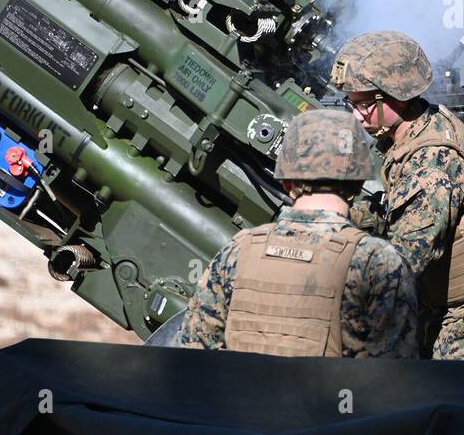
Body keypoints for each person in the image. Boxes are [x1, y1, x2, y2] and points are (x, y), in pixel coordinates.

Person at [330, 30, 464, 361]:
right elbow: (393, 210)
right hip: (457, 306)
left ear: (395, 96)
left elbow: (400, 268)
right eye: (351, 103)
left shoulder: (432, 168)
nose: (356, 115)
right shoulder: (418, 125)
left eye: (362, 104)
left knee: (456, 411)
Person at [175, 108, 418, 357]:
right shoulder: (378, 263)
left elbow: (194, 355)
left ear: (286, 181)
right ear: (358, 183)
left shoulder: (238, 251)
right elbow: (395, 380)